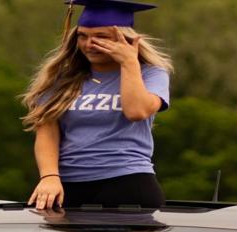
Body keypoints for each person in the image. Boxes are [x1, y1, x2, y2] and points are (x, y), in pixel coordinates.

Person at [23, 0, 174, 210]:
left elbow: (136, 111)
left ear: (127, 39)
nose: (88, 44)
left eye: (101, 37)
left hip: (127, 180)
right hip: (66, 184)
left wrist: (128, 63)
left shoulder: (151, 73)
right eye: (83, 36)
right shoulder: (62, 78)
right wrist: (49, 176)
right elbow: (46, 130)